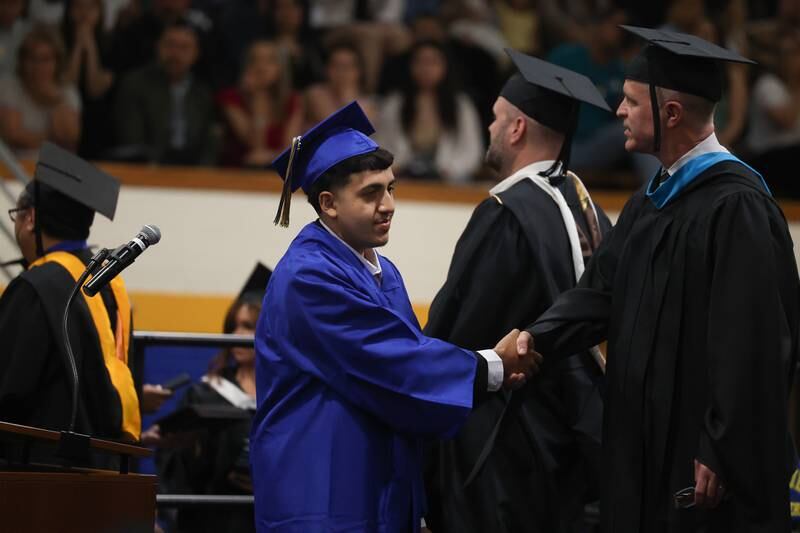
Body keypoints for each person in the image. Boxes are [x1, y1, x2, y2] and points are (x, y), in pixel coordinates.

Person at [517, 26, 800, 531]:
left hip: (701, 462)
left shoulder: (737, 205)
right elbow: (600, 293)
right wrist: (534, 339)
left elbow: (752, 341)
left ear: (670, 113)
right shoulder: (651, 199)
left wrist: (720, 445)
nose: (619, 111)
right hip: (640, 448)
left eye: (629, 101)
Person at [251, 102, 539, 532]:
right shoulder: (308, 276)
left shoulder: (378, 269)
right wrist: (491, 367)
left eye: (391, 188)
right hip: (322, 487)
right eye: (370, 193)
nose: (388, 205)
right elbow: (394, 360)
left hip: (374, 479)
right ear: (328, 203)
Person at [424, 50, 612, 533]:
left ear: (517, 129)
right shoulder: (586, 208)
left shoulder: (507, 213)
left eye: (494, 119)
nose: (488, 129)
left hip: (503, 447)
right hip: (570, 447)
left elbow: (459, 328)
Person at [0, 142, 141, 447]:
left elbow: (10, 388)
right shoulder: (109, 281)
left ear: (30, 218)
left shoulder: (36, 285)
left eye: (16, 215)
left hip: (38, 460)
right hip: (104, 455)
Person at [158, 263, 271, 533]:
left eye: (247, 326)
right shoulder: (206, 394)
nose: (237, 336)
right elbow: (177, 473)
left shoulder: (285, 395)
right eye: (233, 326)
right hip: (216, 520)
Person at [376, 40, 484, 183]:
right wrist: (395, 167)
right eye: (420, 62)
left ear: (445, 67)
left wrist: (452, 170)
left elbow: (472, 149)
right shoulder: (395, 103)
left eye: (433, 62)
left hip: (449, 179)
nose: (426, 68)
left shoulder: (461, 105)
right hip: (402, 177)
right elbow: (381, 143)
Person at [113, 21, 216, 165]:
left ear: (196, 53)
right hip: (148, 168)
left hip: (193, 171)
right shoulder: (136, 83)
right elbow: (132, 141)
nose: (175, 54)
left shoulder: (202, 92)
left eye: (184, 48)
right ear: (158, 47)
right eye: (170, 45)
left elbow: (209, 142)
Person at [217, 40, 303, 168]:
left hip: (278, 174)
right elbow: (254, 145)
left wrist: (268, 156)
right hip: (236, 173)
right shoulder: (231, 98)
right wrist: (258, 96)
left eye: (269, 61)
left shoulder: (291, 100)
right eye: (255, 60)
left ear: (280, 68)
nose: (261, 67)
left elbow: (289, 152)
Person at [0, 24, 81, 160]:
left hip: (57, 168)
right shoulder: (9, 85)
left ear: (57, 61)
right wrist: (52, 139)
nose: (38, 66)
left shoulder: (67, 91)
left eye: (45, 59)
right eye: (32, 59)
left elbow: (69, 136)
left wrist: (54, 99)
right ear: (22, 60)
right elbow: (14, 136)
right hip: (16, 165)